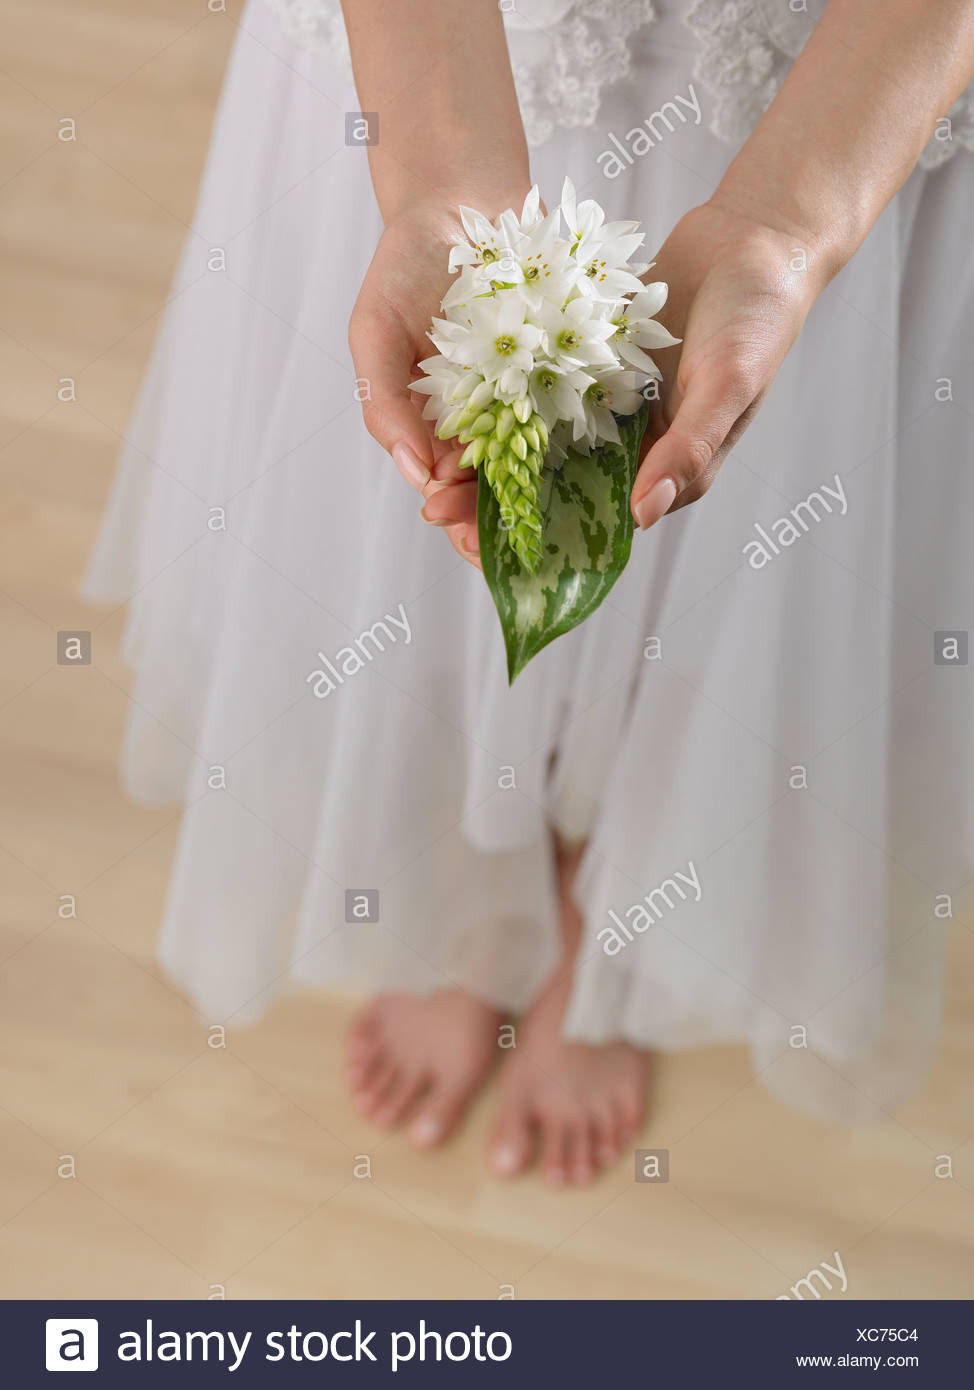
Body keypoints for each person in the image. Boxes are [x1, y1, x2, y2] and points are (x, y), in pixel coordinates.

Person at [86, 0, 974, 1185]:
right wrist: (436, 180)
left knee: (744, 539)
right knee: (410, 524)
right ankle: (472, 871)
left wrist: (784, 223)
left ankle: (586, 896)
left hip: (849, 73)